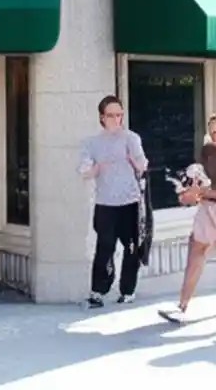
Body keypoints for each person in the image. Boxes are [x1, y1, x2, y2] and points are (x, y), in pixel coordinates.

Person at [159, 110, 216, 322]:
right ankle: (182, 305)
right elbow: (199, 176)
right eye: (213, 132)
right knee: (195, 254)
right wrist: (190, 191)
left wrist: (202, 192)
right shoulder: (206, 151)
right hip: (207, 208)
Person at [79, 95, 148, 309]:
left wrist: (133, 160)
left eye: (119, 115)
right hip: (105, 203)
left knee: (131, 247)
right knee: (104, 246)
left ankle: (127, 290)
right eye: (111, 115)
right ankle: (98, 291)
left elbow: (143, 165)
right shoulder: (92, 142)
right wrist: (97, 168)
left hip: (130, 201)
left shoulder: (131, 138)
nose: (116, 119)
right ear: (102, 117)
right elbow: (84, 170)